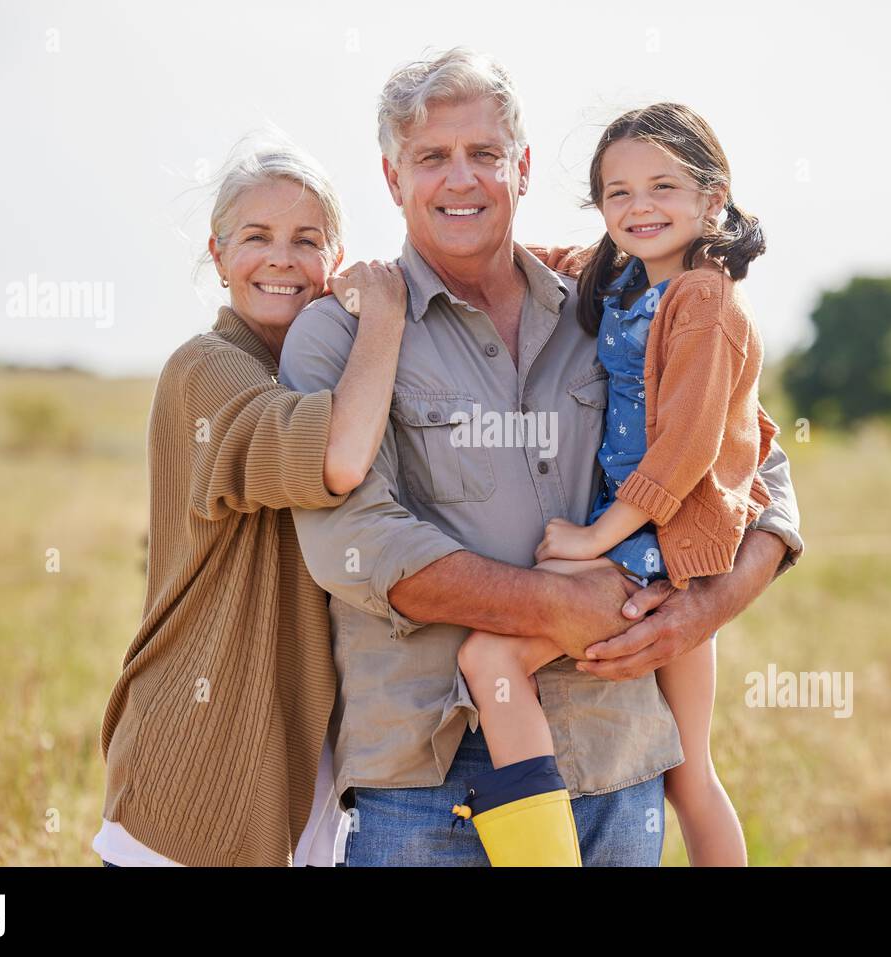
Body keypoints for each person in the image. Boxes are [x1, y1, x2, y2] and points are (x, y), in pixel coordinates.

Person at [282, 47, 804, 867]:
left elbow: (752, 461)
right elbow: (356, 545)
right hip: (423, 785)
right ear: (392, 178)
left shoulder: (612, 307)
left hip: (613, 761)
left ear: (520, 168)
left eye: (484, 155)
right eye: (431, 159)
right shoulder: (342, 332)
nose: (462, 180)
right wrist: (557, 606)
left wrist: (703, 609)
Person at [456, 102, 774, 866]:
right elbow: (543, 260)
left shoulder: (704, 300)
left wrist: (599, 534)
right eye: (618, 192)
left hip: (663, 537)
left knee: (488, 658)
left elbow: (688, 446)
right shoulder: (627, 276)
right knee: (689, 773)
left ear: (712, 194)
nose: (639, 207)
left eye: (662, 186)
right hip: (653, 534)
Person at [94, 134, 408, 866]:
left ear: (334, 258)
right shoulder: (206, 368)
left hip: (305, 786)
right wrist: (387, 314)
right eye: (256, 236)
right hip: (197, 780)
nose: (280, 257)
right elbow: (336, 457)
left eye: (306, 239)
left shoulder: (324, 369)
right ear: (218, 252)